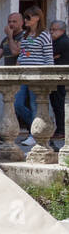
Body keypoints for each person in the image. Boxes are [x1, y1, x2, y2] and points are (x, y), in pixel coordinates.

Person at [14, 6, 53, 145]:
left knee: (34, 104)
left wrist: (48, 77)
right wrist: (17, 70)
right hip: (23, 74)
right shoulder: (25, 35)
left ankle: (34, 134)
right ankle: (38, 127)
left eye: (28, 17)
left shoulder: (44, 35)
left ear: (37, 18)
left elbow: (49, 58)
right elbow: (22, 54)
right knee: (17, 104)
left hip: (38, 75)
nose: (25, 20)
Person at [50, 19, 68, 149]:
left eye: (54, 30)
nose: (51, 32)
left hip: (61, 77)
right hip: (56, 77)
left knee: (59, 103)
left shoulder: (63, 42)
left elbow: (50, 53)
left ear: (62, 30)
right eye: (51, 29)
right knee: (57, 104)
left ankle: (61, 130)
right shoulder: (57, 41)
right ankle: (60, 129)